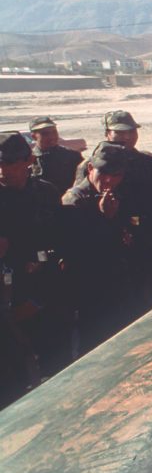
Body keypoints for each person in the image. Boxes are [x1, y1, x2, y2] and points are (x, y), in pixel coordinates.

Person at [63, 143, 152, 351]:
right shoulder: (74, 201)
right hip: (92, 290)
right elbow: (78, 251)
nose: (109, 180)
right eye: (104, 173)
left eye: (116, 174)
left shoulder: (116, 193)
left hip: (120, 283)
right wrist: (105, 219)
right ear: (91, 169)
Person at [0, 132, 68, 405]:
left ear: (28, 160)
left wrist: (39, 299)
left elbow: (62, 244)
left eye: (11, 163)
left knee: (57, 370)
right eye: (0, 163)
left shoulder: (46, 193)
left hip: (45, 292)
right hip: (6, 300)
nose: (4, 170)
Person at [28, 116, 83, 196]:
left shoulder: (72, 156)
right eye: (45, 134)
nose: (51, 137)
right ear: (33, 136)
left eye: (54, 132)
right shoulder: (28, 160)